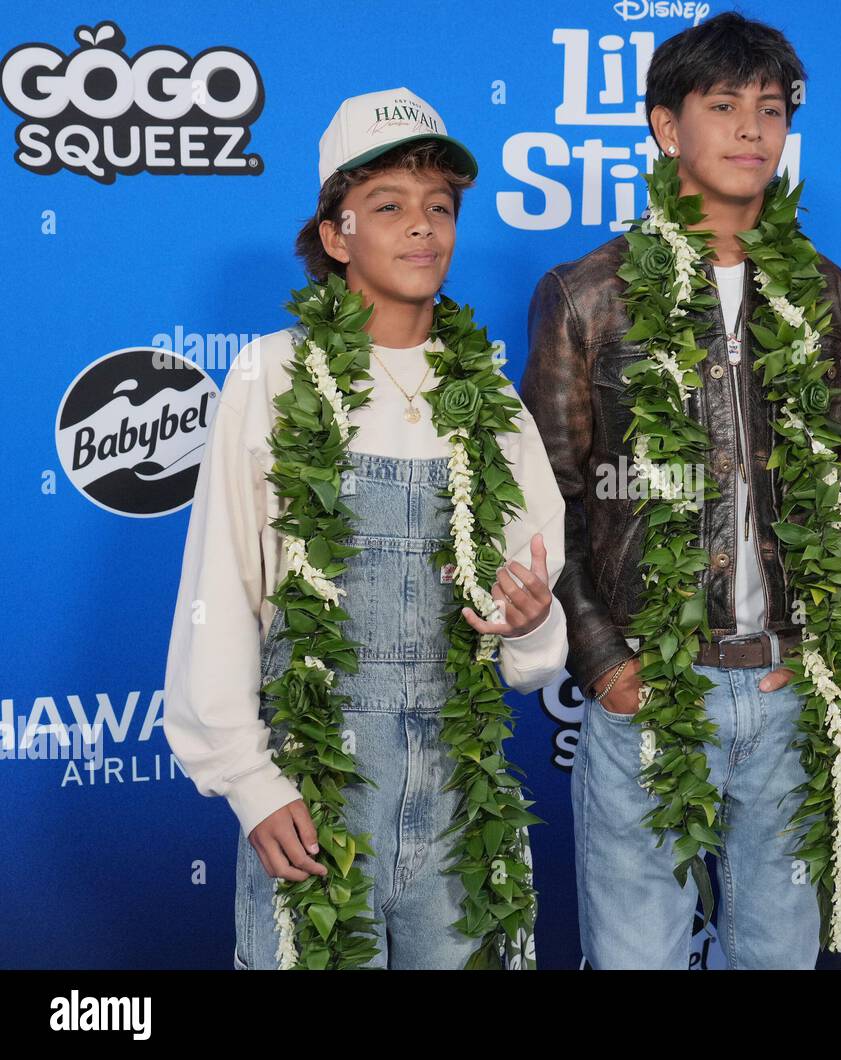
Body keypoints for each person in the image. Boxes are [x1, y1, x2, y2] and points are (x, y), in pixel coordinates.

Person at [163, 88, 568, 969]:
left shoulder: (489, 397)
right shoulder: (274, 376)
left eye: (439, 208)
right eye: (388, 207)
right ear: (338, 233)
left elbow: (535, 627)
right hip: (315, 786)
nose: (421, 228)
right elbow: (220, 588)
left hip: (465, 796)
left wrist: (532, 622)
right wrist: (251, 783)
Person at [521, 13, 841, 969]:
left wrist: (821, 649)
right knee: (637, 955)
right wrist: (606, 666)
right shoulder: (585, 292)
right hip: (648, 687)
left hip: (789, 686)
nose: (753, 129)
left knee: (783, 953)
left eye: (771, 109)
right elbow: (543, 501)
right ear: (667, 127)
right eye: (724, 107)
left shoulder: (830, 296)